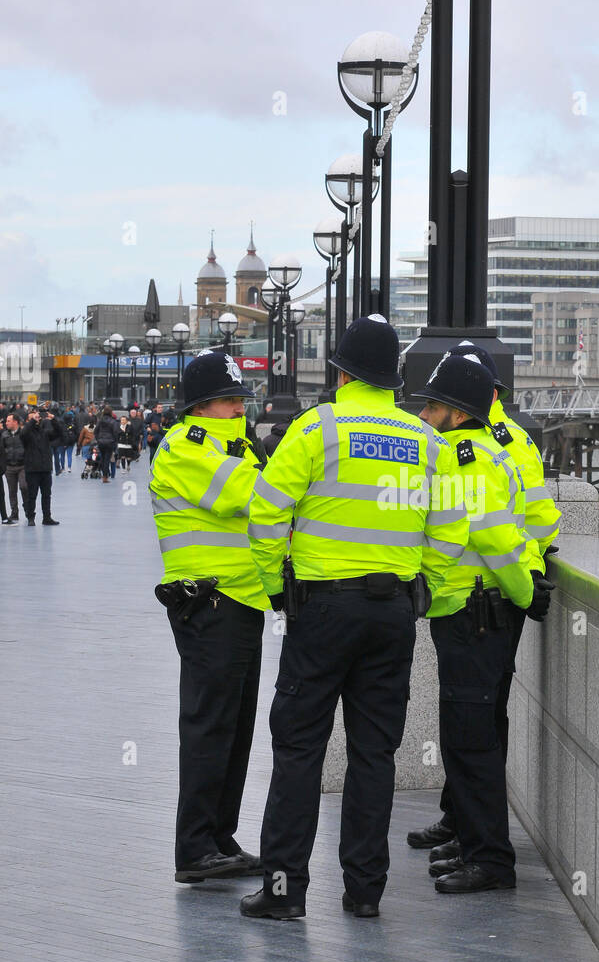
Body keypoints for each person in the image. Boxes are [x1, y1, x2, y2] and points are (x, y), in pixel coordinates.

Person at [240, 314, 469, 923]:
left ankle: (285, 893)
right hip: (392, 611)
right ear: (395, 376)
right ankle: (365, 891)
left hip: (321, 611)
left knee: (299, 749)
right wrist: (428, 592)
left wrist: (275, 589)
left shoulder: (316, 429)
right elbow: (451, 532)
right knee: (374, 754)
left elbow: (266, 517)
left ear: (340, 371)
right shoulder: (428, 443)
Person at [407, 342, 561, 853]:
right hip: (473, 611)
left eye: (432, 408)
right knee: (470, 734)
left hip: (477, 614)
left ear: (456, 414)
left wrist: (523, 594)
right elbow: (533, 523)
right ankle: (473, 841)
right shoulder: (488, 450)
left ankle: (490, 858)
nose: (424, 416)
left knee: (471, 738)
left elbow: (496, 537)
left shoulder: (465, 461)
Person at [149, 351, 270, 884]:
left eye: (240, 398)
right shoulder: (184, 447)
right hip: (210, 602)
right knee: (208, 725)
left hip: (244, 600)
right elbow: (244, 497)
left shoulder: (237, 444)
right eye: (228, 399)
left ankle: (220, 836)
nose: (237, 407)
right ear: (199, 405)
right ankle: (194, 846)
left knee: (236, 726)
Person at [20, 408, 63, 525]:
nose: (37, 419)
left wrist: (53, 419)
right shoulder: (26, 434)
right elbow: (23, 433)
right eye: (33, 418)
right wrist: (32, 420)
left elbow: (59, 433)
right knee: (31, 495)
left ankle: (47, 517)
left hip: (45, 469)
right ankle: (30, 517)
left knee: (46, 495)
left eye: (37, 417)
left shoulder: (45, 432)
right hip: (32, 469)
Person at [1, 412, 27, 524]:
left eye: (8, 421)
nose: (6, 423)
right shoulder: (4, 435)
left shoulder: (24, 434)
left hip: (22, 465)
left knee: (24, 486)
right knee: (12, 491)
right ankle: (14, 512)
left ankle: (28, 509)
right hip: (9, 466)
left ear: (15, 422)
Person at [94, 406, 119, 482]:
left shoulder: (100, 421)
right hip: (110, 442)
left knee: (103, 458)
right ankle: (105, 477)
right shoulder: (113, 421)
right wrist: (115, 441)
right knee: (107, 459)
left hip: (101, 442)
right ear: (111, 412)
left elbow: (95, 431)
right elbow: (115, 432)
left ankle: (104, 474)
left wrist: (98, 439)